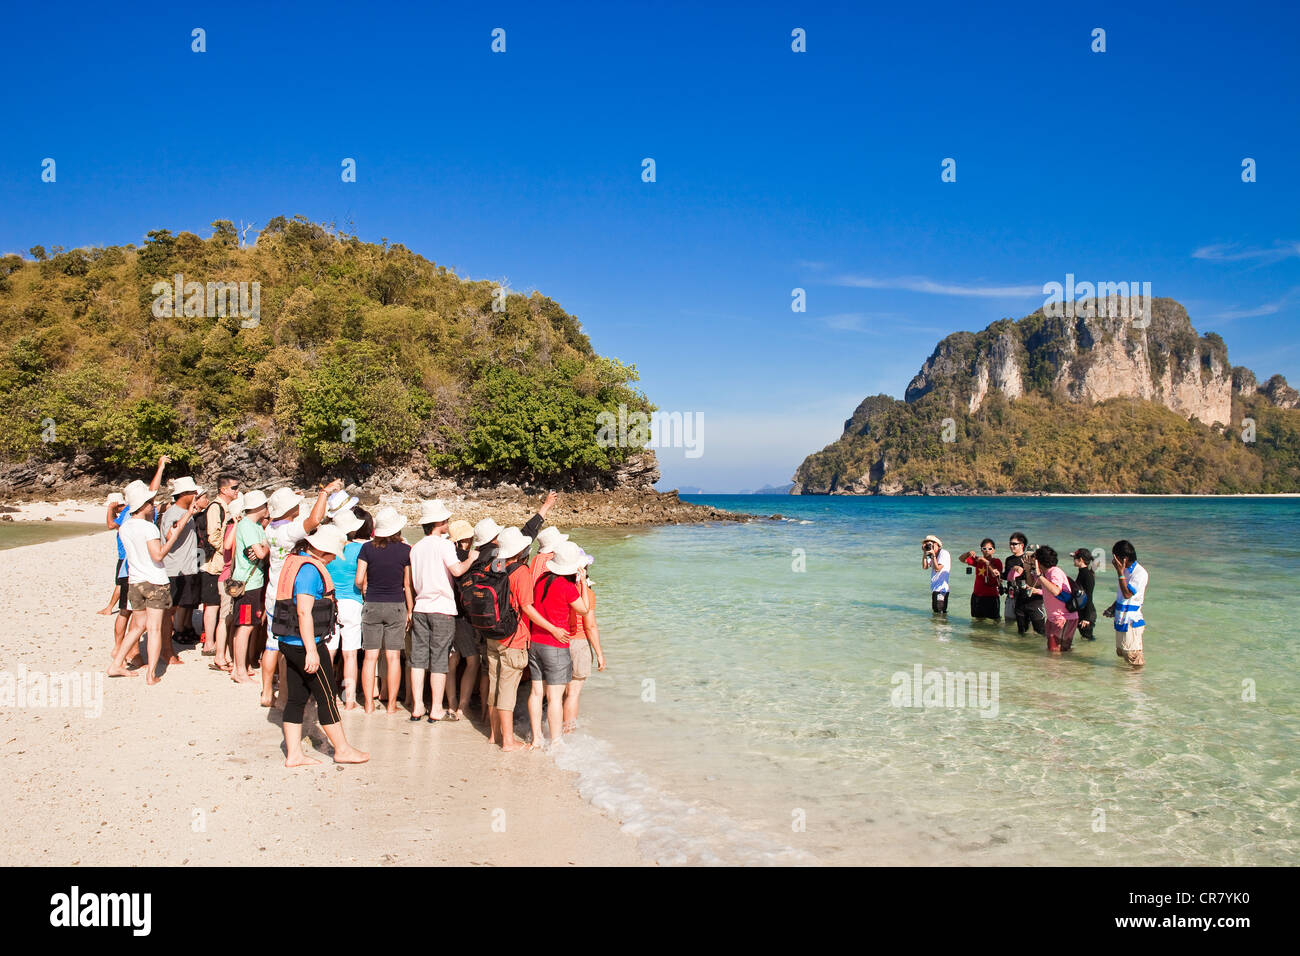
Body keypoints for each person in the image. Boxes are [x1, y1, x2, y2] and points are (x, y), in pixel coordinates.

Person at [269, 524, 369, 768]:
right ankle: (342, 749)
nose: (335, 558)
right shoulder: (309, 571)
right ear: (323, 551)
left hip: (288, 642)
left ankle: (294, 755)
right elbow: (303, 612)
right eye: (334, 553)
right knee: (327, 696)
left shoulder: (296, 560)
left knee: (296, 698)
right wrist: (312, 651)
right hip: (306, 644)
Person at [108, 483, 201, 683]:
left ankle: (116, 663)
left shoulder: (125, 527)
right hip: (155, 581)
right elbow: (158, 555)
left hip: (135, 581)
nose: (153, 505)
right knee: (155, 629)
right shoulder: (148, 528)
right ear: (142, 505)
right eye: (150, 502)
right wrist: (173, 536)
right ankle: (151, 673)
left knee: (137, 627)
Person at [260, 482, 341, 707]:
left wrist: (296, 502)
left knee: (271, 644)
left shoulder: (271, 529)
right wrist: (324, 493)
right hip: (289, 592)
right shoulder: (288, 531)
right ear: (289, 510)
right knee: (289, 647)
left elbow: (302, 519)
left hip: (273, 589)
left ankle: (267, 691)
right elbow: (314, 521)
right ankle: (286, 694)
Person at [408, 500, 478, 721]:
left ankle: (418, 706)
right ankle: (436, 707)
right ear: (438, 523)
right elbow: (457, 571)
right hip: (442, 608)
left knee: (418, 659)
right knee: (439, 658)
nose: (448, 522)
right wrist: (472, 559)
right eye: (445, 519)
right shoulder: (445, 545)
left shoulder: (416, 547)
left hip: (421, 607)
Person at [527, 539, 590, 746]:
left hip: (535, 641)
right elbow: (584, 609)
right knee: (554, 697)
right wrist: (582, 583)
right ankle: (556, 741)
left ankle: (536, 738)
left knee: (536, 692)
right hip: (556, 644)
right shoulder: (567, 586)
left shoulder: (541, 579)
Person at [356, 505, 413, 715]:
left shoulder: (367, 549)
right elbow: (407, 584)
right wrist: (410, 609)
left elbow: (359, 579)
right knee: (393, 657)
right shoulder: (406, 550)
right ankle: (391, 706)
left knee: (370, 657)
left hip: (372, 603)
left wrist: (366, 591)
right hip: (396, 604)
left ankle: (369, 705)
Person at [326, 507, 369, 708]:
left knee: (329, 651)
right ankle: (349, 699)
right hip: (352, 601)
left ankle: (326, 695)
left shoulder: (327, 549)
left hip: (330, 602)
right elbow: (363, 581)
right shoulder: (360, 550)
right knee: (350, 653)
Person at [229, 489, 271, 684]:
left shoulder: (254, 526)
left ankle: (241, 666)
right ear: (259, 507)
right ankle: (239, 671)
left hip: (253, 582)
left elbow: (263, 548)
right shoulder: (247, 526)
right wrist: (264, 548)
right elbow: (261, 553)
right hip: (248, 583)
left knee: (247, 625)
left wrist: (263, 547)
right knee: (245, 627)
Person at [562, 545, 604, 733]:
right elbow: (590, 626)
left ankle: (555, 729)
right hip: (578, 643)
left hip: (560, 642)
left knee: (561, 691)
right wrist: (600, 654)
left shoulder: (561, 587)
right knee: (574, 693)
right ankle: (568, 732)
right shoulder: (587, 594)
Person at [160, 476, 204, 647]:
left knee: (183, 605)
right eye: (193, 492)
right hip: (174, 569)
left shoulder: (187, 513)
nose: (195, 494)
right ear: (184, 494)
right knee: (170, 611)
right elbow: (170, 534)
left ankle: (173, 640)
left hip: (187, 568)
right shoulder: (173, 513)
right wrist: (188, 514)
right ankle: (166, 647)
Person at [199, 475, 240, 656]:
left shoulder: (225, 507)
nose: (237, 490)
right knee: (212, 605)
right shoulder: (216, 507)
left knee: (218, 604)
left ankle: (213, 641)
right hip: (214, 564)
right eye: (234, 487)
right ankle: (209, 643)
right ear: (223, 490)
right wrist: (227, 551)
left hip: (220, 564)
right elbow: (213, 536)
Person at [445, 519, 480, 721]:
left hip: (445, 612)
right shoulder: (469, 557)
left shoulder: (445, 555)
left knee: (452, 660)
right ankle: (462, 707)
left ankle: (451, 703)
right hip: (463, 616)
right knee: (473, 661)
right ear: (467, 539)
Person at [1103, 540, 1148, 667]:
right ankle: (1124, 684)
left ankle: (1135, 684)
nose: (1113, 561)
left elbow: (1128, 593)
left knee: (1133, 657)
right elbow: (1123, 596)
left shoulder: (1139, 573)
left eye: (1115, 558)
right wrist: (1113, 607)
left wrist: (1119, 572)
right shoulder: (1126, 571)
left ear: (1124, 559)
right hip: (1121, 619)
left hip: (1131, 622)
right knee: (1121, 653)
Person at [1032, 546, 1078, 653]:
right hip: (1053, 617)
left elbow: (1056, 590)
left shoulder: (1055, 571)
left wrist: (1039, 575)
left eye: (1035, 559)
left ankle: (1062, 669)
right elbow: (1033, 583)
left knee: (1055, 651)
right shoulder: (1045, 574)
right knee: (1056, 650)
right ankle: (1068, 668)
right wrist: (1028, 568)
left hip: (1064, 617)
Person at [958, 539, 1003, 622]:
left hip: (992, 596)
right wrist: (968, 554)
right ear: (981, 550)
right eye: (984, 548)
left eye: (990, 549)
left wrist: (986, 561)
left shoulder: (997, 561)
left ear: (994, 550)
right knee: (978, 621)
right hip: (977, 595)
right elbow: (961, 559)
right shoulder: (978, 560)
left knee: (995, 621)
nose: (987, 551)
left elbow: (996, 573)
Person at [1070, 549, 1098, 641]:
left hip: (1087, 613)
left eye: (1074, 558)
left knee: (1088, 639)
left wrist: (1086, 618)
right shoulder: (1082, 572)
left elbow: (1089, 597)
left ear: (1081, 560)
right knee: (1085, 639)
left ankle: (1092, 654)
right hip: (1082, 612)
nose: (1073, 560)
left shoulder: (1087, 575)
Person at [1001, 533, 1029, 623]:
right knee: (1009, 623)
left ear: (1022, 545)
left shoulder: (1027, 559)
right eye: (1010, 544)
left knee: (1025, 624)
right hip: (1011, 595)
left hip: (1024, 596)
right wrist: (998, 574)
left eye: (1014, 544)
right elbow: (1006, 576)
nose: (1011, 546)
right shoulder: (1009, 559)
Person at [921, 535, 950, 615]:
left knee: (939, 614)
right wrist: (924, 553)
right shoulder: (933, 555)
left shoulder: (944, 553)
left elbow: (938, 568)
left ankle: (942, 627)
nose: (929, 546)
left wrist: (933, 555)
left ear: (937, 544)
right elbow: (925, 567)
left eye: (930, 544)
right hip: (935, 589)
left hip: (941, 589)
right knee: (936, 612)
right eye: (927, 545)